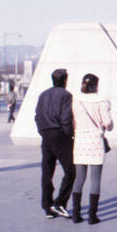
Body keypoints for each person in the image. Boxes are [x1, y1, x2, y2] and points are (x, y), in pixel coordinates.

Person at [71, 73, 114, 225]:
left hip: (80, 140)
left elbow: (73, 121)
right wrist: (107, 126)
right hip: (95, 140)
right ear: (96, 85)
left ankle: (76, 215)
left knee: (79, 178)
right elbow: (108, 123)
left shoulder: (76, 100)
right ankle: (92, 216)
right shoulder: (102, 101)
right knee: (95, 179)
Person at [34, 69, 76, 219]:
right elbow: (66, 118)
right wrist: (69, 135)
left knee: (47, 172)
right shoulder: (66, 95)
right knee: (71, 172)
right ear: (65, 81)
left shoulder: (43, 95)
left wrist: (43, 131)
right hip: (60, 135)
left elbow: (37, 116)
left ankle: (48, 206)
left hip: (46, 135)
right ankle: (60, 203)